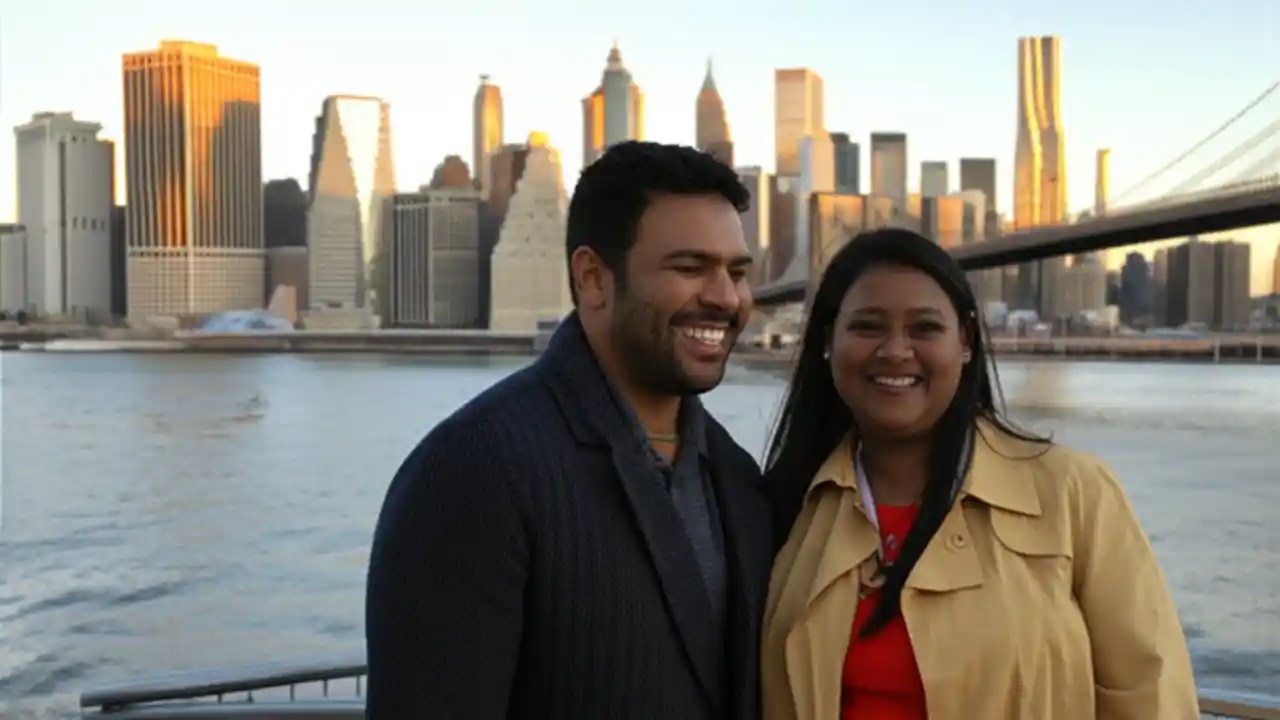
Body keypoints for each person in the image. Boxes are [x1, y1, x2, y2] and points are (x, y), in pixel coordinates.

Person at [365, 141, 773, 719]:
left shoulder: (737, 478)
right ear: (593, 279)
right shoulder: (473, 470)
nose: (725, 298)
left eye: (737, 272)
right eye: (689, 268)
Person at [758, 228, 1199, 719]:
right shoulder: (785, 505)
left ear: (964, 341)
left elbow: (1152, 695)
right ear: (827, 341)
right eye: (867, 326)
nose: (895, 351)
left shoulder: (1073, 492)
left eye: (925, 328)